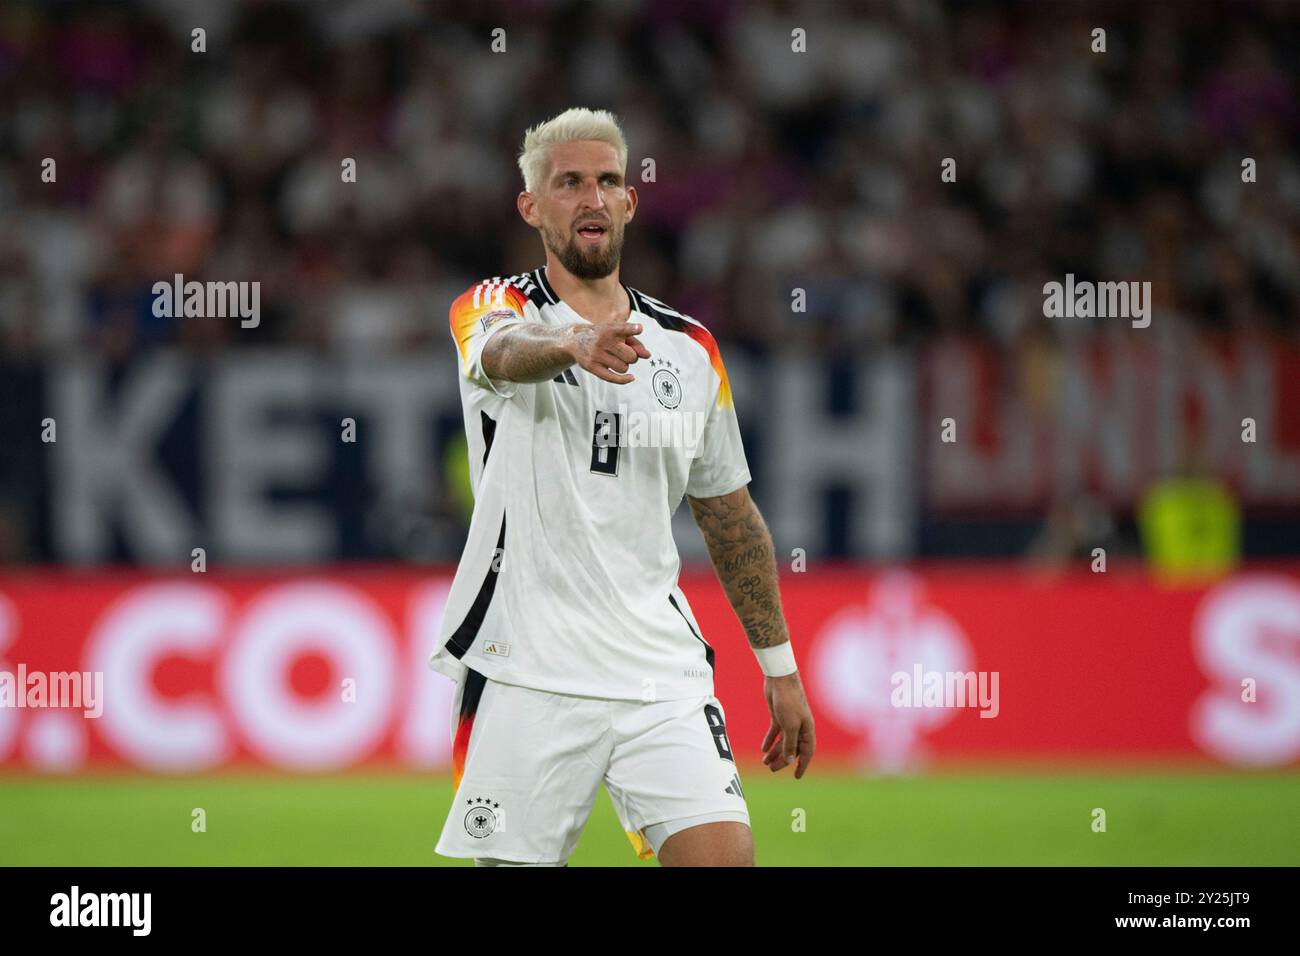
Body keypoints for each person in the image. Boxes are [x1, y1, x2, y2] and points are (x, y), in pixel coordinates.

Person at [431, 107, 814, 867]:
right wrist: (575, 340)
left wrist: (781, 670)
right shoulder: (493, 307)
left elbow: (729, 516)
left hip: (659, 673)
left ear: (631, 203)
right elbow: (502, 353)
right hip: (525, 671)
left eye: (608, 181)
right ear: (531, 207)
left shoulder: (690, 349)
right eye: (567, 183)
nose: (592, 197)